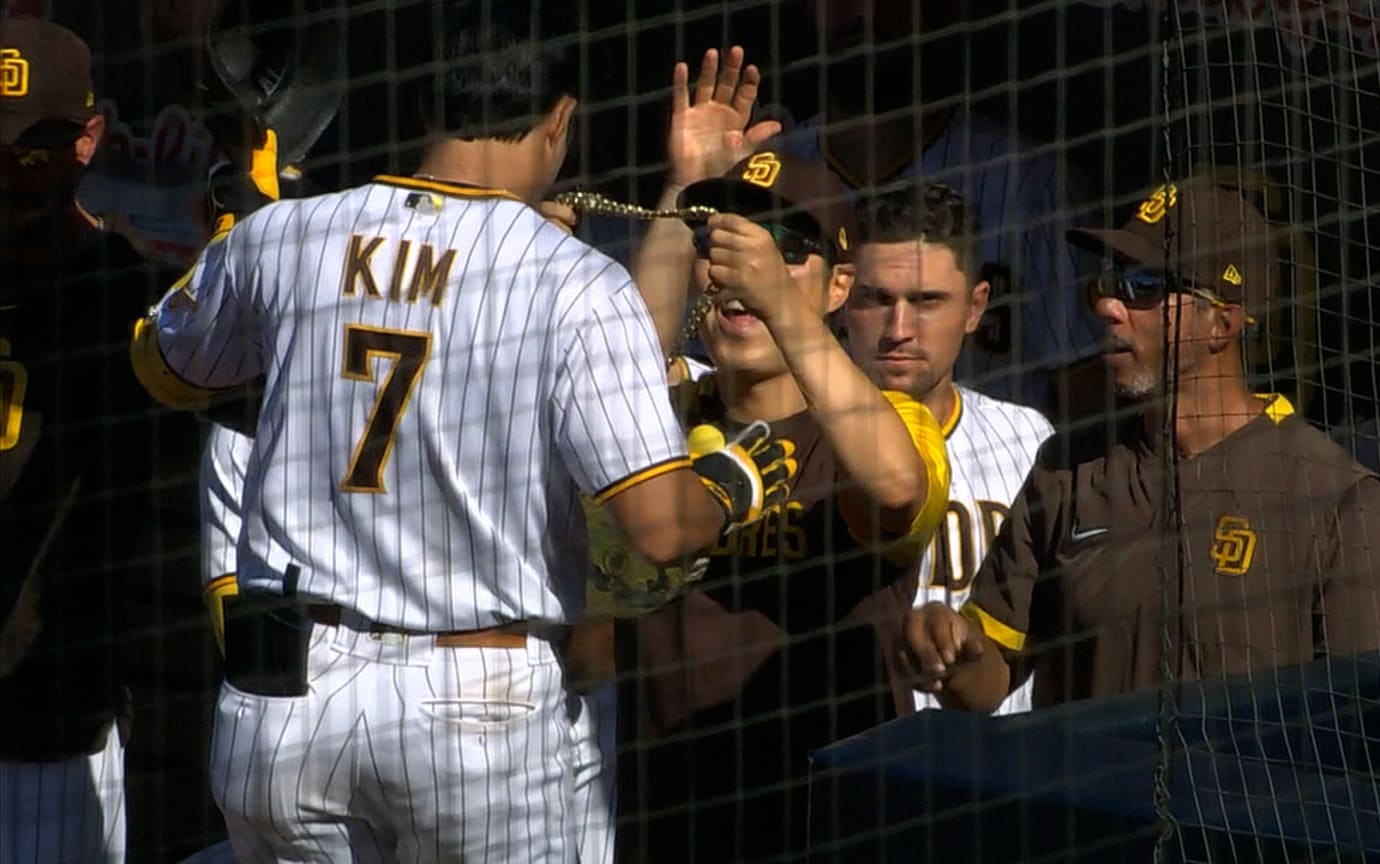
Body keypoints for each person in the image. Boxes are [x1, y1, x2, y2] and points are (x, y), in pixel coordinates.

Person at [128, 2, 795, 860]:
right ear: (560, 122)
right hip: (474, 708)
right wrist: (732, 484)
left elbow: (163, 369)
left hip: (288, 702)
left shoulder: (285, 235)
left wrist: (238, 247)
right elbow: (660, 527)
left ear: (422, 112)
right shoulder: (571, 280)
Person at [900, 178, 1380, 712]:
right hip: (1086, 798)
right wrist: (955, 651)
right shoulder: (1069, 468)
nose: (1109, 305)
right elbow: (987, 680)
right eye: (1107, 281)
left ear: (1221, 323)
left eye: (1143, 284)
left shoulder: (1337, 499)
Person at [598, 142, 950, 862]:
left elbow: (895, 486)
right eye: (720, 240)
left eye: (785, 249)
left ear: (839, 285)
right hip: (666, 826)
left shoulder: (881, 418)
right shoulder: (652, 421)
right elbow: (620, 357)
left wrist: (781, 304)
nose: (742, 269)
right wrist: (679, 186)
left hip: (834, 831)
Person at [0, 16, 200, 862]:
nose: (5, 171)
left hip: (47, 736)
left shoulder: (132, 300)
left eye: (29, 148)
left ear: (87, 140)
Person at [774, 0, 1101, 414]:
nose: (862, 13)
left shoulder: (1030, 184)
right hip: (807, 470)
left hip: (995, 470)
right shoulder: (767, 179)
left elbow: (1087, 395)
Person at [840, 182, 1055, 714]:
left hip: (998, 761)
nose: (899, 330)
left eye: (927, 301)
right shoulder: (802, 438)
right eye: (876, 299)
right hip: (851, 753)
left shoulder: (1030, 440)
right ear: (841, 297)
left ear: (975, 307)